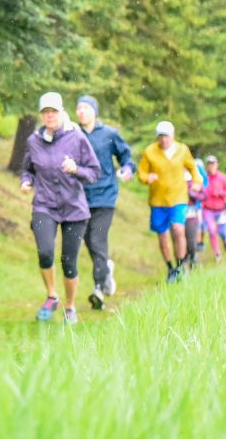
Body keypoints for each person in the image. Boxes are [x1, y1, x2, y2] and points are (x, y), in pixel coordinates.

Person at [21, 93, 101, 325]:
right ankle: (52, 296)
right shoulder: (33, 141)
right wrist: (26, 181)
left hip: (74, 208)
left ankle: (70, 306)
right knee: (45, 252)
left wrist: (76, 169)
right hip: (44, 204)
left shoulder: (76, 137)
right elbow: (27, 169)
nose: (50, 115)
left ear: (61, 112)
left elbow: (94, 172)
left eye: (53, 111)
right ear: (41, 115)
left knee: (69, 261)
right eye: (45, 112)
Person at [74, 95, 135, 310]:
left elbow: (126, 157)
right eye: (78, 108)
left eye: (85, 108)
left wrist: (127, 169)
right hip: (80, 197)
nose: (81, 112)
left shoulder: (109, 134)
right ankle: (106, 269)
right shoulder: (73, 134)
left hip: (105, 195)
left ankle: (98, 289)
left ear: (94, 111)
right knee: (88, 241)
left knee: (97, 240)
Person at [137, 121, 203, 283]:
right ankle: (170, 268)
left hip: (178, 198)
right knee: (163, 235)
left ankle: (180, 265)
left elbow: (193, 168)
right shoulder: (150, 152)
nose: (164, 140)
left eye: (166, 136)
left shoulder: (182, 150)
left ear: (172, 136)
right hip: (158, 201)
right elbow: (141, 173)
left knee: (178, 229)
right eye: (161, 136)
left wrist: (197, 182)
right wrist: (147, 178)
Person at [201, 155, 226, 262]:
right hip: (208, 209)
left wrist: (219, 193)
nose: (211, 166)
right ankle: (217, 253)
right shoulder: (204, 178)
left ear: (217, 164)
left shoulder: (223, 178)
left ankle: (225, 239)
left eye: (213, 164)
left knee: (221, 231)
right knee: (211, 230)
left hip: (221, 209)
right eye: (209, 164)